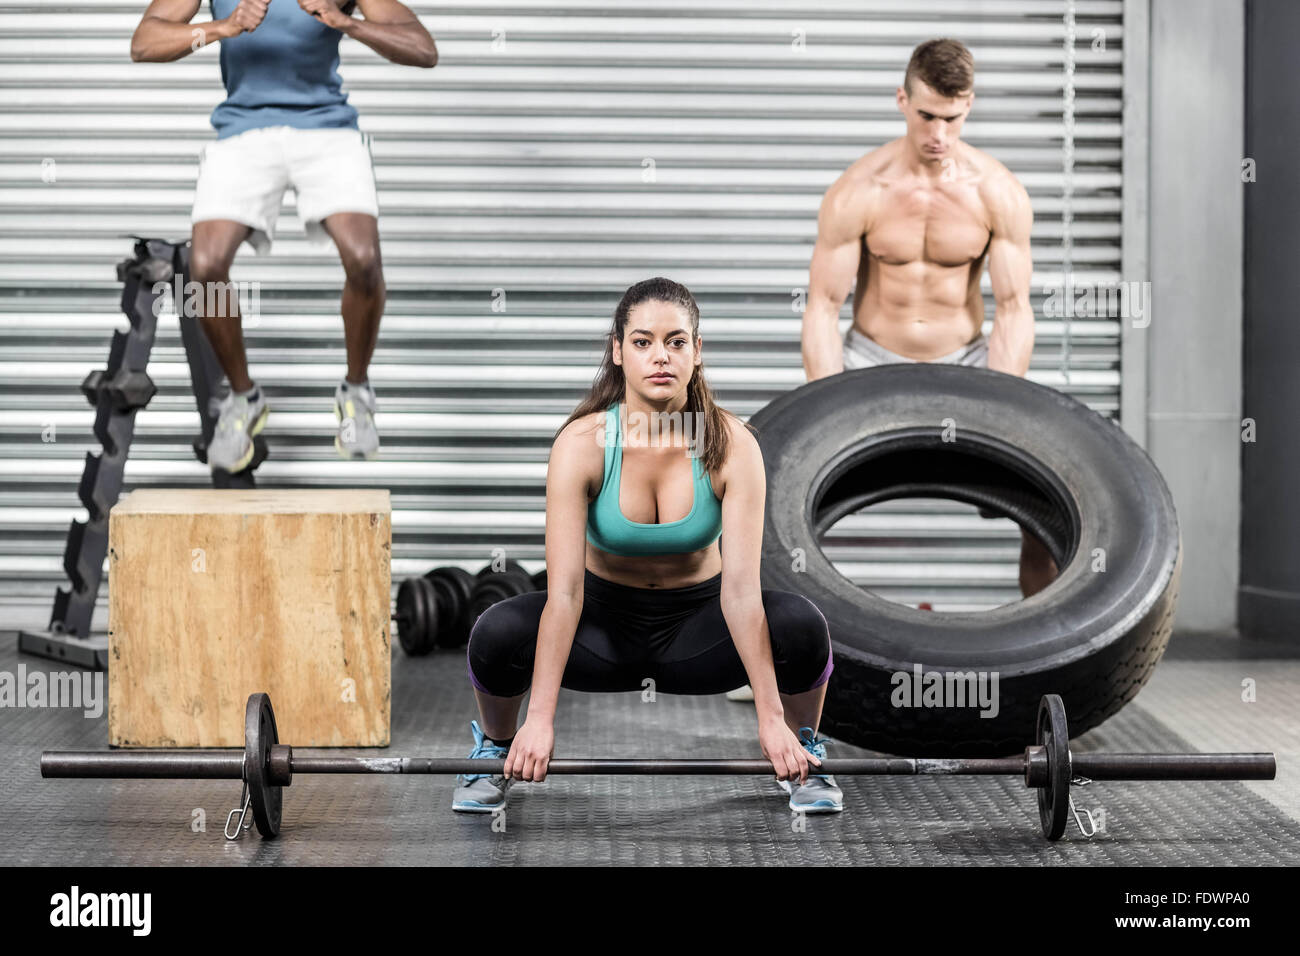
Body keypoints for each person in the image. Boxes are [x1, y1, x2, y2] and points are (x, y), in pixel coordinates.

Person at [456, 278, 840, 814]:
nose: (660, 356)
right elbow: (564, 595)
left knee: (802, 626)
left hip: (701, 631)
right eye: (642, 342)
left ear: (697, 351)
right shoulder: (582, 445)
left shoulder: (733, 444)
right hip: (602, 631)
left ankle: (802, 755)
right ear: (617, 351)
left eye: (677, 341)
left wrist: (770, 718)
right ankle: (497, 752)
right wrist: (538, 720)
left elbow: (742, 594)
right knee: (498, 630)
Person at [130, 0, 438, 472]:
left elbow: (422, 48)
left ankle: (355, 390)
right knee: (205, 267)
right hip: (244, 131)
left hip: (327, 131)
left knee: (363, 260)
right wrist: (223, 26)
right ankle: (243, 397)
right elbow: (144, 43)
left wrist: (344, 22)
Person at [800, 37, 1058, 598]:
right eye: (926, 116)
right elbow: (822, 308)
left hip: (965, 361)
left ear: (968, 107)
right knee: (765, 484)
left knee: (1051, 493)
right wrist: (825, 407)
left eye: (953, 117)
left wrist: (1000, 401)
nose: (939, 135)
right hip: (869, 357)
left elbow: (1014, 311)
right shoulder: (858, 191)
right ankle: (779, 665)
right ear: (901, 100)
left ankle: (1056, 653)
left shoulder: (998, 193)